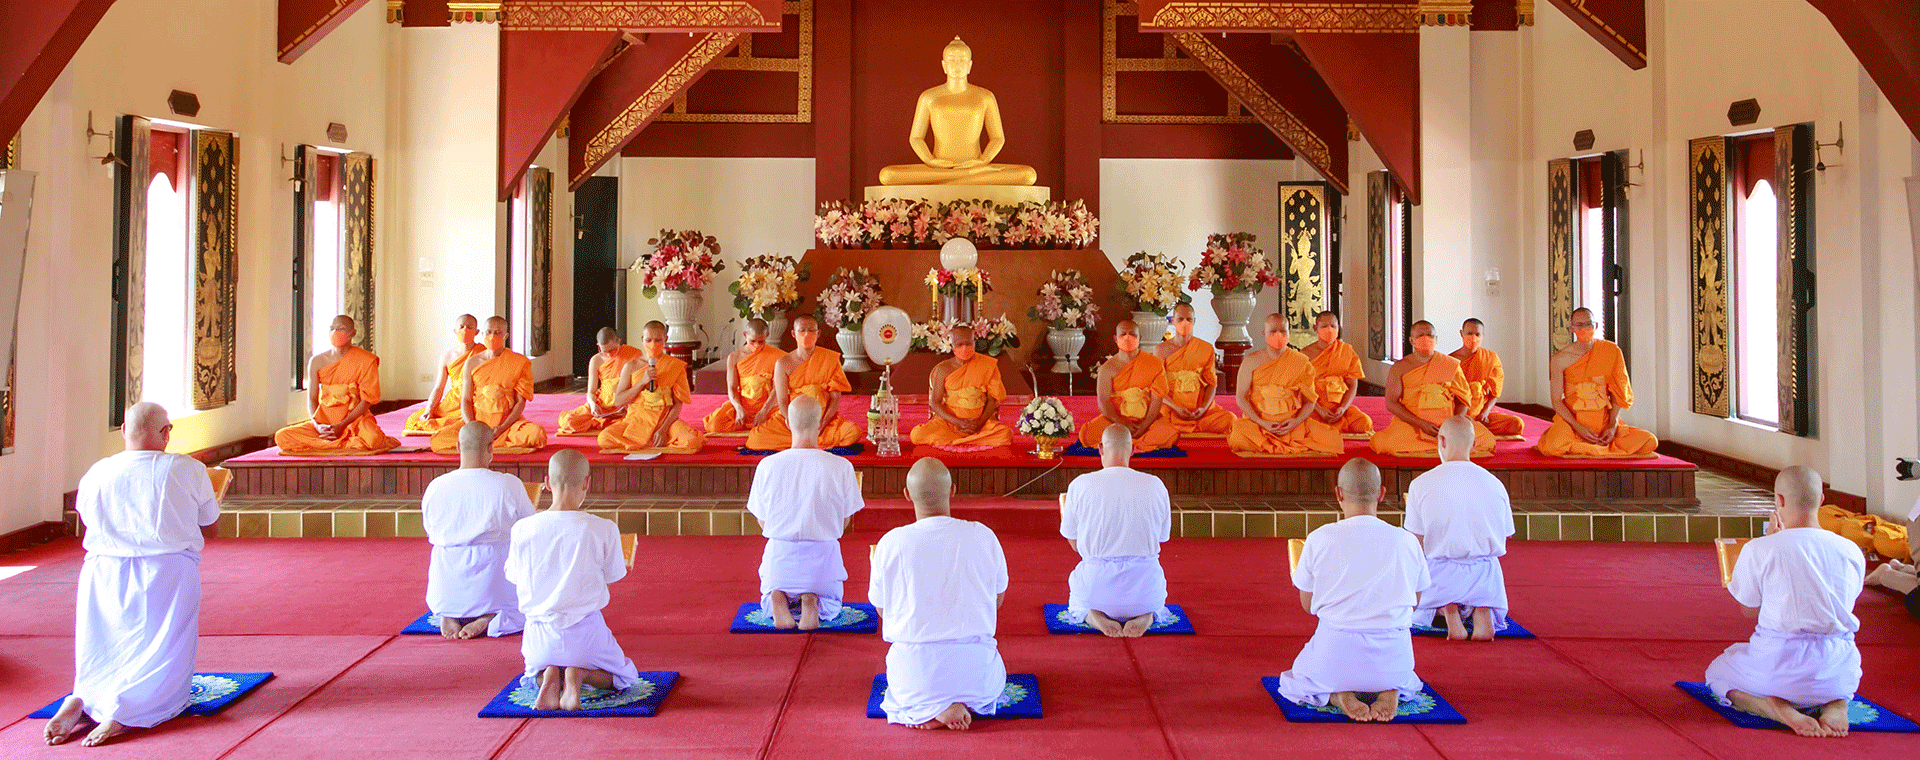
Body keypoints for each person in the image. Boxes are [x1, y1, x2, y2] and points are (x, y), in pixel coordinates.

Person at [44, 402, 219, 747]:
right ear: (166, 432)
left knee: (104, 643)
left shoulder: (97, 472)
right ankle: (128, 713)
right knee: (166, 647)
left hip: (103, 570)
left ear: (124, 431)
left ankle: (85, 697)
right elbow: (210, 527)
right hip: (166, 570)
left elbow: (87, 519)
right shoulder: (185, 468)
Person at [1704, 466, 1864, 738]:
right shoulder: (1851, 550)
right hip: (1838, 670)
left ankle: (1771, 707)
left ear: (1779, 500)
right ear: (1821, 500)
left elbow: (1749, 610)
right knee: (1836, 683)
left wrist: (1772, 543)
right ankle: (1837, 702)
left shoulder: (1760, 548)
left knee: (1717, 671)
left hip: (1777, 669)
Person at [1277, 458, 1431, 722]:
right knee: (1406, 676)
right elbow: (1415, 601)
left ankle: (1337, 694)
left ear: (1338, 493)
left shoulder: (1320, 538)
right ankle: (1391, 688)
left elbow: (1308, 605)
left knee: (1293, 682)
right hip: (1394, 657)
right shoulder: (1406, 540)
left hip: (1335, 656)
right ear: (1381, 494)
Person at [870, 458, 1009, 730]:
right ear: (953, 490)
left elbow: (882, 610)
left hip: (914, 677)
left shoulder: (891, 542)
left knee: (902, 685)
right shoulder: (983, 535)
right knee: (990, 680)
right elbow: (997, 599)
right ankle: (962, 702)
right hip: (977, 674)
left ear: (907, 495)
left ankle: (928, 709)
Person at [505, 450, 639, 711]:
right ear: (586, 483)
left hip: (538, 637)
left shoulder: (522, 529)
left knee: (530, 678)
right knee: (626, 678)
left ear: (547, 482)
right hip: (587, 634)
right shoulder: (603, 527)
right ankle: (579, 675)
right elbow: (614, 574)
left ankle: (549, 675)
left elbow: (514, 576)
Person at [746, 397, 866, 629]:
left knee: (767, 600)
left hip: (779, 559)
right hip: (822, 559)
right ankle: (812, 599)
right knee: (831, 605)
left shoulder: (767, 465)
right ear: (820, 423)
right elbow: (845, 520)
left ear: (787, 424)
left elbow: (762, 520)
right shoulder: (842, 466)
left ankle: (777, 597)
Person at [1404, 417, 1515, 641]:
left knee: (1419, 573)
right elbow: (1507, 534)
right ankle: (1481, 608)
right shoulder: (1495, 484)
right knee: (1488, 562)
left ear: (1441, 441)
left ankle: (1447, 608)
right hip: (1484, 575)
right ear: (1474, 445)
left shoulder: (1421, 484)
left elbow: (1416, 542)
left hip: (1440, 574)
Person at [422, 421, 533, 639]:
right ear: (491, 448)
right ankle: (490, 616)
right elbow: (528, 528)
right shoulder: (508, 484)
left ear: (458, 447)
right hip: (493, 582)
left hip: (446, 585)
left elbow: (430, 531)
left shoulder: (436, 486)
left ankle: (448, 612)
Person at [876, 36, 1038, 186]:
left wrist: (983, 161)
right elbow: (916, 138)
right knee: (888, 175)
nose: (957, 65)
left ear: (970, 65)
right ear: (944, 65)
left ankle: (952, 179)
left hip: (976, 165)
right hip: (938, 168)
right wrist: (930, 161)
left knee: (1028, 175)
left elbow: (997, 138)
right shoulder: (928, 97)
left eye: (962, 60)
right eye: (952, 60)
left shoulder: (985, 96)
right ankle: (967, 178)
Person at [1060, 425, 1173, 637]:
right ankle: (1146, 614)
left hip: (1096, 589)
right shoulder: (1156, 485)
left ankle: (1091, 614)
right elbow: (1161, 538)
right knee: (1154, 594)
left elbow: (1074, 543)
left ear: (1100, 448)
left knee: (1078, 600)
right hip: (1144, 589)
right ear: (1133, 450)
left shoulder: (1080, 484)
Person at [274, 315, 401, 455]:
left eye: (341, 328)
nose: (335, 332)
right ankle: (344, 443)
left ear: (352, 333)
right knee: (282, 436)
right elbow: (312, 398)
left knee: (373, 439)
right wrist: (318, 426)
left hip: (355, 421)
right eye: (332, 328)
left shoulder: (366, 360)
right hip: (325, 422)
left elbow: (366, 401)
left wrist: (341, 425)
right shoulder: (316, 361)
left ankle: (330, 444)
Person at [1538, 308, 1658, 457]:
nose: (1584, 329)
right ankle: (1595, 448)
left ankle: (1589, 448)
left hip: (1603, 421)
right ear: (1572, 328)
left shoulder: (1611, 351)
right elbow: (1556, 401)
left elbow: (1618, 393)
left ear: (1595, 326)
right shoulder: (1559, 359)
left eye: (1588, 324)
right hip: (1572, 420)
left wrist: (1612, 426)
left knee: (1649, 440)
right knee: (1553, 445)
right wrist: (1577, 427)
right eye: (1579, 325)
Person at [1370, 321, 1494, 458]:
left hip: (1446, 424)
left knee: (1486, 439)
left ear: (1436, 339)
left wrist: (1455, 422)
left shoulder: (1449, 364)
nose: (1426, 339)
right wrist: (1421, 424)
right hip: (1413, 425)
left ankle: (1444, 441)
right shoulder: (1400, 367)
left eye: (1430, 335)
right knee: (1385, 442)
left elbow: (1463, 400)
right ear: (1411, 340)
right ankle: (1447, 446)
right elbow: (1391, 403)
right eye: (1420, 335)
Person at [1228, 314, 1342, 457]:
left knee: (1331, 438)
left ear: (1289, 333)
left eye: (1282, 331)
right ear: (1264, 333)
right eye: (1273, 331)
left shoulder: (1301, 362)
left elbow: (1310, 401)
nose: (1278, 335)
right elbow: (1241, 398)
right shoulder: (1251, 361)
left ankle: (1278, 439)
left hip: (1291, 424)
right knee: (1239, 432)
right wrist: (1261, 422)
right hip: (1260, 424)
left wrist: (1295, 421)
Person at [430, 317, 546, 455]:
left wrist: (501, 428)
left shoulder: (519, 362)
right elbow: (466, 400)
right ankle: (479, 438)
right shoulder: (471, 363)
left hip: (507, 424)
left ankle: (487, 441)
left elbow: (520, 402)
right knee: (438, 440)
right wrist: (473, 428)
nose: (492, 336)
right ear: (483, 334)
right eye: (489, 332)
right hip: (478, 420)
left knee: (536, 434)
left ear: (505, 336)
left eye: (497, 332)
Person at [745, 316, 862, 451]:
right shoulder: (783, 363)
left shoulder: (830, 359)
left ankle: (804, 441)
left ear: (818, 333)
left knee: (852, 432)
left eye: (811, 330)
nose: (807, 334)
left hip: (821, 419)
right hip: (793, 419)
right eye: (802, 331)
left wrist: (822, 423)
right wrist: (791, 423)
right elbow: (782, 400)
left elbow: (835, 398)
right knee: (756, 438)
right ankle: (813, 441)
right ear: (793, 334)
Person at [597, 321, 704, 454]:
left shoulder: (675, 365)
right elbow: (619, 401)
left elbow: (677, 404)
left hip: (664, 421)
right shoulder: (631, 366)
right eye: (648, 340)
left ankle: (649, 441)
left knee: (692, 441)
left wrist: (663, 429)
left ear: (665, 339)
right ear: (642, 339)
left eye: (658, 340)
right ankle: (652, 442)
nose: (653, 344)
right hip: (636, 421)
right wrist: (642, 382)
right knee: (604, 438)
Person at [1076, 320, 1178, 452]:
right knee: (1087, 435)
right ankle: (1134, 442)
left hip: (1146, 421)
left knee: (1170, 433)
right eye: (1123, 334)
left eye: (1133, 334)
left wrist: (1143, 427)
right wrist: (1122, 424)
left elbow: (1156, 402)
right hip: (1116, 420)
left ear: (1140, 338)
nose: (1128, 338)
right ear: (1115, 339)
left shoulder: (1155, 364)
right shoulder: (1107, 368)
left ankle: (1122, 442)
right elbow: (1104, 402)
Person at [909, 325, 1014, 447]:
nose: (964, 348)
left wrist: (979, 423)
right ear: (951, 345)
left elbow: (992, 400)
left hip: (980, 425)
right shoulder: (942, 369)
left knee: (1005, 434)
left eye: (968, 343)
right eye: (959, 344)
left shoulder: (988, 365)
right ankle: (973, 441)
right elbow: (935, 402)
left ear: (974, 342)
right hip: (949, 424)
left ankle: (958, 441)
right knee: (917, 435)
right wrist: (958, 422)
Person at [1153, 303, 1237, 437]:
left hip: (1199, 410)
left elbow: (1211, 384)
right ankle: (1189, 426)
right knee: (1153, 422)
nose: (1184, 323)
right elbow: (1157, 388)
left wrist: (1203, 408)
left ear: (1194, 321)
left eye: (1189, 319)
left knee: (1230, 419)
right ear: (1173, 321)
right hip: (1171, 409)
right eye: (1180, 319)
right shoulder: (1161, 350)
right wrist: (1176, 408)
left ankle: (1186, 427)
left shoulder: (1205, 348)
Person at [703, 319, 787, 436]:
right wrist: (739, 409)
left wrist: (764, 411)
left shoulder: (778, 356)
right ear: (745, 335)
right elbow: (732, 388)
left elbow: (777, 389)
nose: (756, 345)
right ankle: (757, 426)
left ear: (767, 336)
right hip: (744, 404)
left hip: (769, 406)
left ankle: (760, 425)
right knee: (714, 424)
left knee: (786, 421)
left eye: (761, 341)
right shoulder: (735, 357)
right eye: (752, 341)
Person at [556, 328, 644, 436]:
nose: (609, 354)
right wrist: (593, 404)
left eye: (613, 350)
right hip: (602, 404)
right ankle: (604, 422)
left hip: (625, 405)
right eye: (605, 351)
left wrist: (627, 405)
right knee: (569, 421)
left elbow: (640, 387)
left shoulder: (634, 354)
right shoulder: (596, 360)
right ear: (598, 346)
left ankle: (605, 423)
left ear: (618, 341)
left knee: (637, 422)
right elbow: (591, 391)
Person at [406, 314, 484, 435]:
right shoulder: (447, 357)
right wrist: (429, 409)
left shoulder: (483, 353)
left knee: (473, 417)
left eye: (470, 327)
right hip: (454, 401)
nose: (465, 330)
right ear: (455, 331)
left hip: (475, 398)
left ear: (477, 332)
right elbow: (439, 387)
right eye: (461, 327)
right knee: (414, 420)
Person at [1301, 311, 1374, 438]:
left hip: (1339, 407)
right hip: (1314, 407)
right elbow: (1302, 388)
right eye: (1324, 326)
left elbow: (1352, 385)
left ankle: (1334, 425)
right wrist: (1319, 410)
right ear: (1315, 328)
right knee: (1308, 425)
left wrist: (1343, 408)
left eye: (1333, 326)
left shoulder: (1346, 351)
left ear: (1338, 328)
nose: (1329, 330)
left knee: (1364, 423)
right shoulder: (1305, 354)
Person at [1450, 318, 1526, 439]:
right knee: (1448, 423)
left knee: (1516, 424)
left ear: (1483, 335)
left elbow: (1495, 393)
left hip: (1481, 413)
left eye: (1477, 334)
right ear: (1461, 333)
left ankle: (1474, 429)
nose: (1473, 338)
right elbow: (1447, 394)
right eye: (1469, 333)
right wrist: (1460, 415)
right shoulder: (1451, 360)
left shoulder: (1490, 358)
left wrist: (1485, 412)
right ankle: (1471, 428)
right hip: (1457, 413)